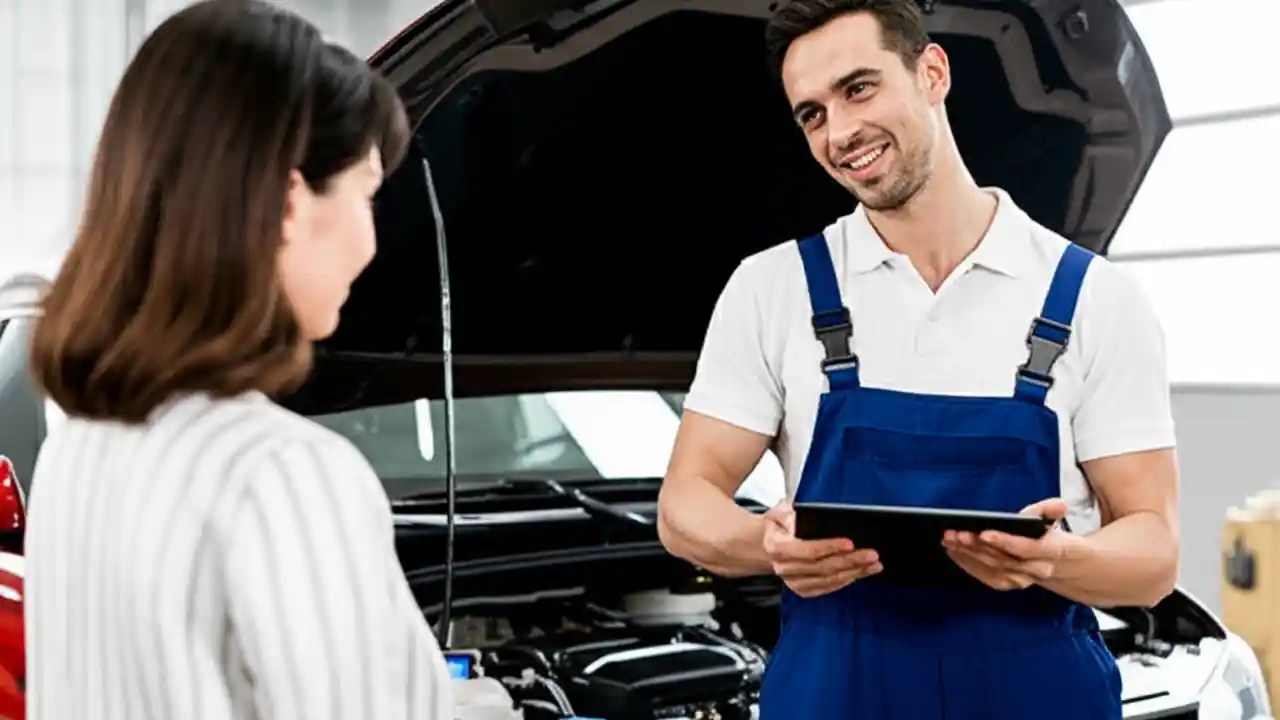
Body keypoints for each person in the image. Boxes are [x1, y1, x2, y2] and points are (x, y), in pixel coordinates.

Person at [657, 1, 1180, 717]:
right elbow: (684, 504)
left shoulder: (1095, 299)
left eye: (859, 88)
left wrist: (1059, 560)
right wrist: (763, 543)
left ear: (932, 72)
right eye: (811, 114)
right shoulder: (772, 289)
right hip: (836, 692)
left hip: (1038, 692)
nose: (840, 133)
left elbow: (1154, 554)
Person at [22, 2, 453, 719]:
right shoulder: (281, 474)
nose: (372, 243)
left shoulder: (81, 449)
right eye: (367, 196)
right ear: (289, 201)